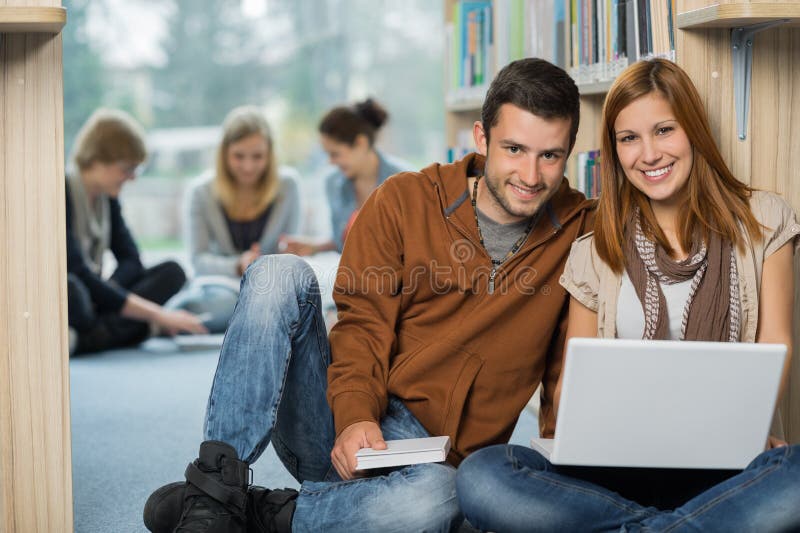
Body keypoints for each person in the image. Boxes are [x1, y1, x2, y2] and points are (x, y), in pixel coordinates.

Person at [142, 58, 594, 533]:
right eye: (514, 149)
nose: (531, 174)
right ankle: (217, 482)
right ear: (481, 139)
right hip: (338, 428)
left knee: (439, 499)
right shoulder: (403, 200)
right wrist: (356, 414)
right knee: (276, 273)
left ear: (569, 152)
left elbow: (569, 370)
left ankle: (254, 511)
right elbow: (361, 322)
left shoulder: (581, 234)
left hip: (431, 469)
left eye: (550, 156)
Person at [456, 58, 800, 532]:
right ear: (614, 150)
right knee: (485, 474)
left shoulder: (763, 220)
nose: (649, 154)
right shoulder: (594, 248)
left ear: (693, 131)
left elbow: (776, 342)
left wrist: (750, 428)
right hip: (612, 475)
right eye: (629, 139)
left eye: (664, 130)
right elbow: (579, 381)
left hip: (728, 468)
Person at [66, 109, 207, 355]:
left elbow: (131, 260)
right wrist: (160, 315)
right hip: (77, 293)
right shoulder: (63, 191)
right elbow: (77, 271)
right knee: (73, 290)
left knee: (172, 272)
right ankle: (137, 329)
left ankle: (87, 339)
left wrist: (109, 291)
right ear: (97, 159)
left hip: (96, 296)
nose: (131, 178)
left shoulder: (107, 198)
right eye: (126, 168)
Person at [174, 106, 301, 332]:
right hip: (221, 288)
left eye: (258, 157)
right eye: (238, 156)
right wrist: (237, 265)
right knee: (223, 305)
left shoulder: (288, 186)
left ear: (270, 155)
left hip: (271, 287)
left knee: (301, 301)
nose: (248, 166)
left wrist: (282, 256)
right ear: (224, 154)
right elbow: (198, 260)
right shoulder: (201, 192)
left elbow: (291, 252)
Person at [281, 98, 409, 255]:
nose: (331, 162)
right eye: (327, 154)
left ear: (361, 143)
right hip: (352, 275)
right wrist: (313, 247)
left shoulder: (404, 181)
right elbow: (342, 242)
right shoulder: (332, 182)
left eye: (335, 154)